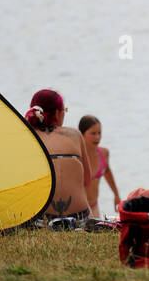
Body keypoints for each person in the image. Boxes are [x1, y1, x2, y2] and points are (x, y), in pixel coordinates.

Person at [25, 90, 92, 223]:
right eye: (64, 110)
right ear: (57, 113)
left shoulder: (27, 137)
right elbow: (87, 179)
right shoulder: (75, 135)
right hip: (80, 218)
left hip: (41, 220)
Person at [78, 115, 121, 218]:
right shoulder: (76, 155)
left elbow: (107, 171)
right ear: (81, 134)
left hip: (94, 206)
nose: (97, 137)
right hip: (78, 208)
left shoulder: (104, 153)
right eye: (93, 133)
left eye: (99, 133)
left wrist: (116, 195)